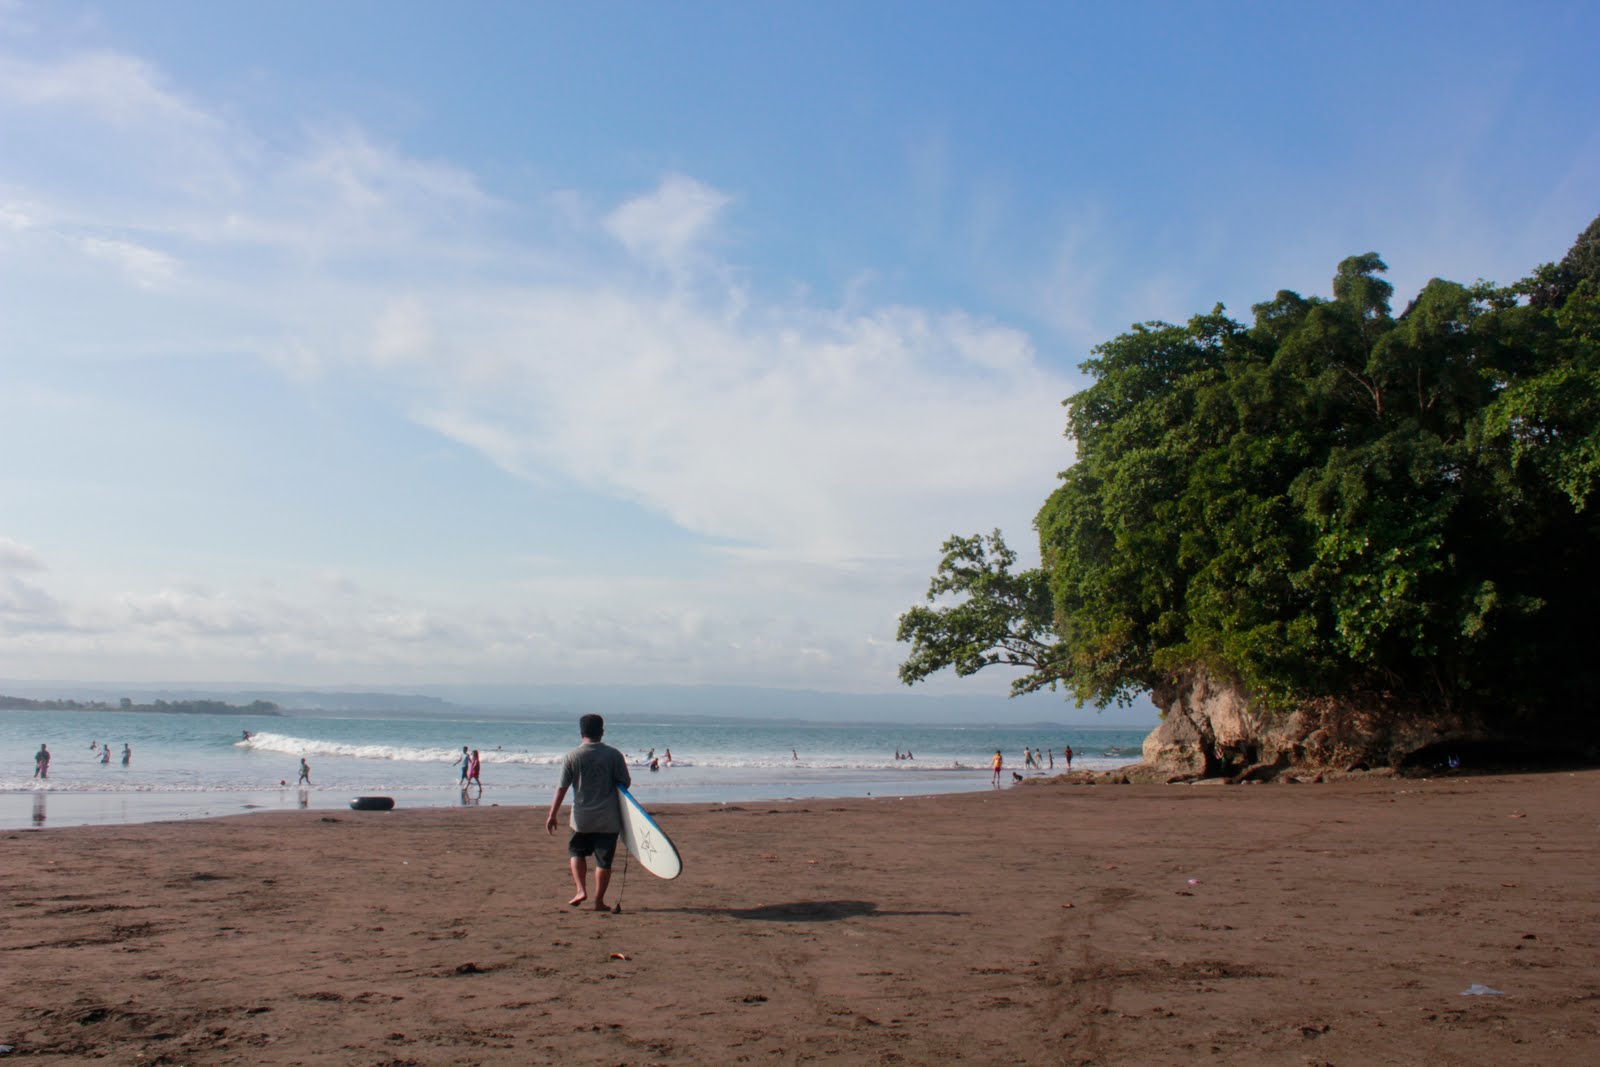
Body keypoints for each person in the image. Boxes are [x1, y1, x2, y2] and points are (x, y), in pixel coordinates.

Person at [545, 713, 631, 912]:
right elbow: (625, 783)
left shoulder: (572, 756)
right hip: (608, 819)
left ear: (581, 732)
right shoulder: (614, 755)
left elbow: (562, 788)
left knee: (576, 852)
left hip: (581, 818)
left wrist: (552, 814)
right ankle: (599, 901)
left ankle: (580, 890)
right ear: (601, 732)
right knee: (603, 861)